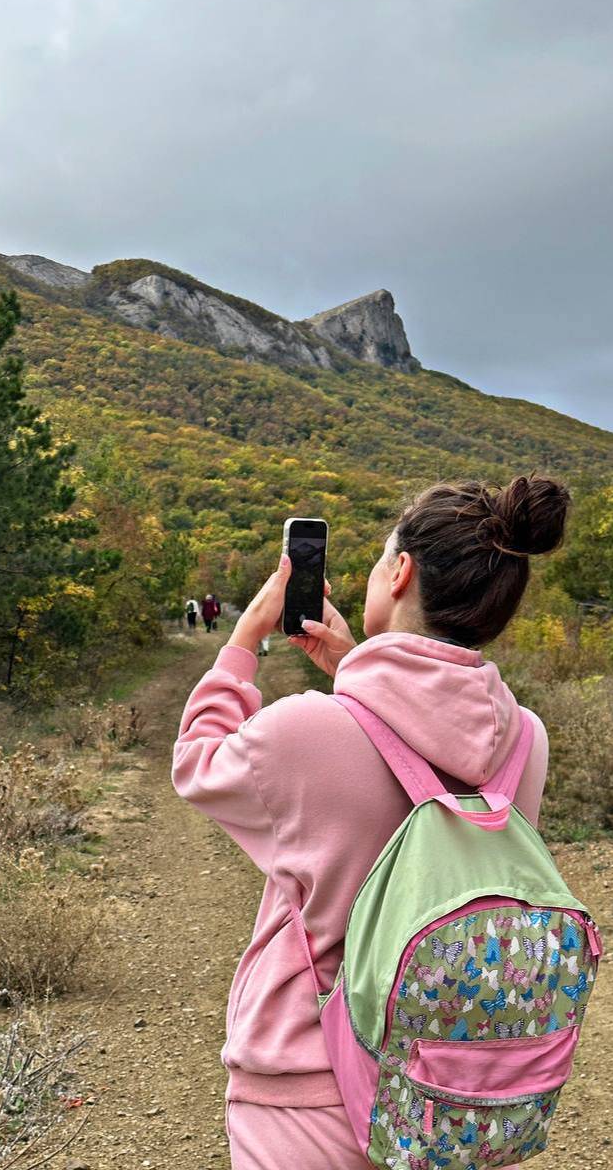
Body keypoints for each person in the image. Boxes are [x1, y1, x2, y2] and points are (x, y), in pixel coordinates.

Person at [172, 476, 570, 1170]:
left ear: (400, 571)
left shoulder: (306, 729)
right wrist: (355, 669)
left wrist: (243, 638)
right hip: (449, 1095)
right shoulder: (526, 740)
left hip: (306, 1092)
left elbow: (197, 764)